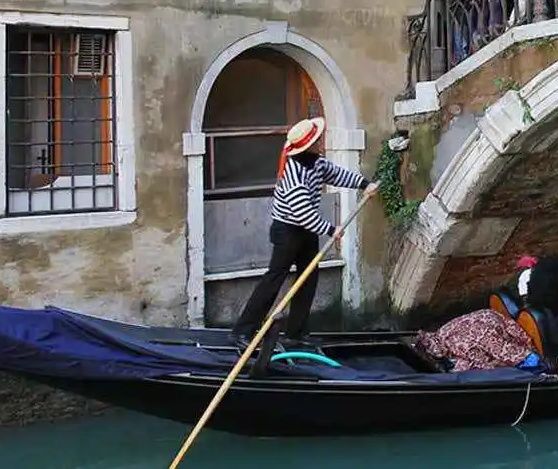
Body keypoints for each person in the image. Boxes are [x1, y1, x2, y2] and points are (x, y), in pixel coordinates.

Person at [228, 118, 378, 353]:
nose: (321, 141)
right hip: (287, 230)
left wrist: (364, 184)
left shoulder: (315, 162)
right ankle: (242, 331)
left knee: (308, 279)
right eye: (317, 139)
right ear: (308, 145)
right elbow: (302, 213)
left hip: (306, 229)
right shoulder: (293, 173)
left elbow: (336, 174)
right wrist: (330, 229)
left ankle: (295, 334)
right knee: (274, 279)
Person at [414, 309, 539, 372]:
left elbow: (485, 366)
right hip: (491, 318)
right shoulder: (443, 330)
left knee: (522, 359)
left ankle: (536, 363)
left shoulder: (461, 346)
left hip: (491, 334)